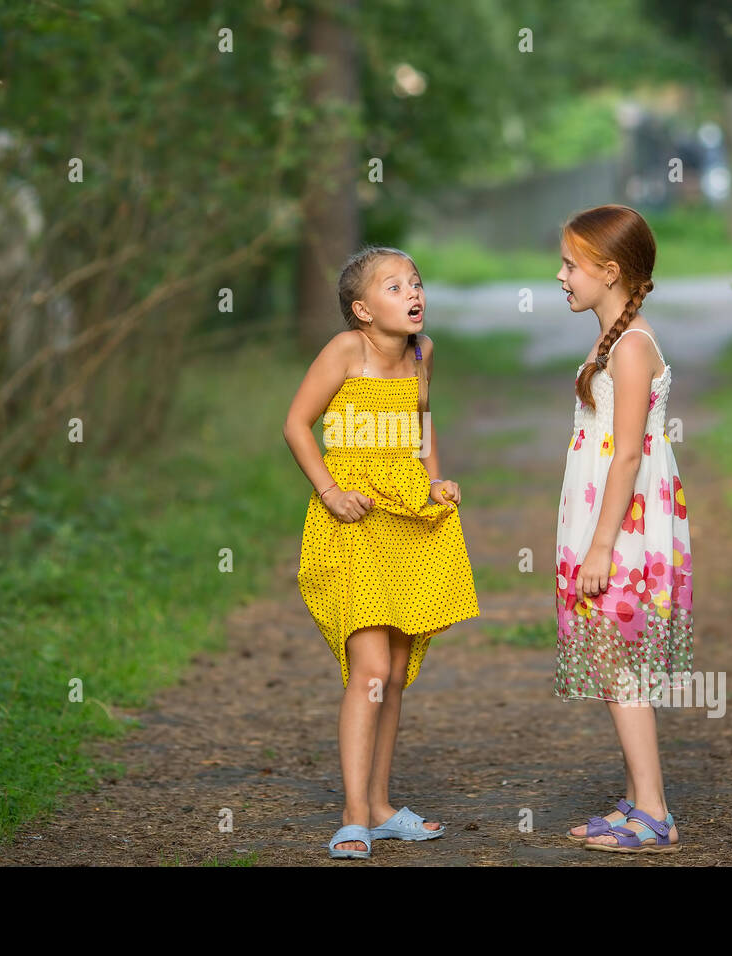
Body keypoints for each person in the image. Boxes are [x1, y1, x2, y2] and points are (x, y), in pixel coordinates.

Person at [283, 245, 480, 859]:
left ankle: (379, 804)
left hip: (405, 523)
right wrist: (331, 491)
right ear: (362, 310)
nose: (413, 293)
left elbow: (423, 424)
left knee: (394, 673)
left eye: (416, 282)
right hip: (353, 523)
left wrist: (434, 483)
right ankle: (351, 816)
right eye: (394, 287)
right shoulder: (347, 351)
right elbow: (296, 424)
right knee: (368, 669)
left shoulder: (423, 353)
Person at [553, 205, 693, 853]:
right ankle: (639, 799)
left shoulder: (633, 347)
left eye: (569, 265)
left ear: (609, 273)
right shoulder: (613, 336)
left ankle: (655, 813)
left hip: (624, 526)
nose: (559, 277)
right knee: (613, 662)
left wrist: (602, 544)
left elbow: (629, 454)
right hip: (602, 515)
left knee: (619, 661)